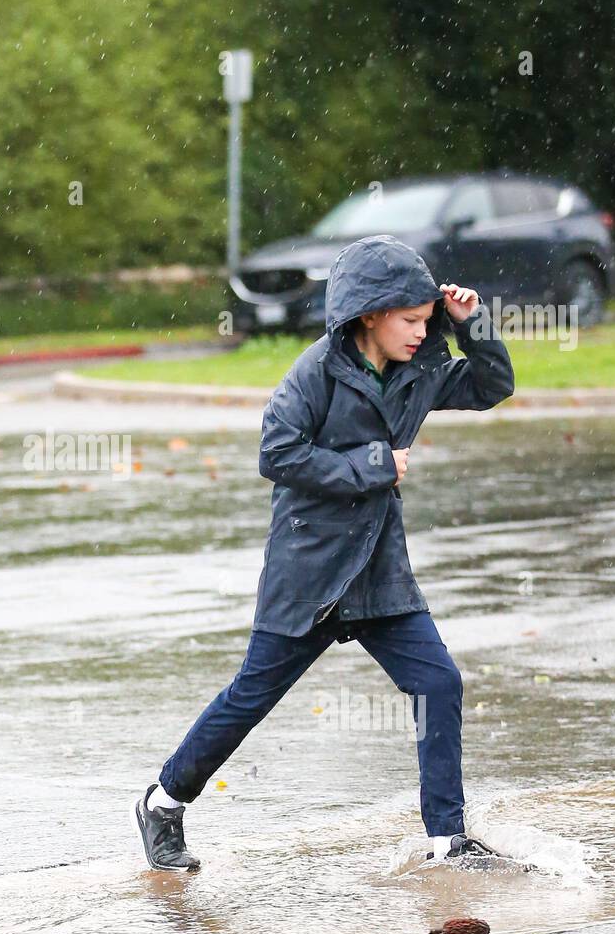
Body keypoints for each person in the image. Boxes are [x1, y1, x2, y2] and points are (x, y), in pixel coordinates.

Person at [135, 234, 516, 872]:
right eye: (412, 321)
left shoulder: (420, 368)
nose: (423, 333)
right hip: (309, 570)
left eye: (429, 321)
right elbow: (277, 455)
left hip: (378, 570)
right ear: (370, 314)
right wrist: (373, 464)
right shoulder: (314, 371)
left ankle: (447, 838)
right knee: (250, 698)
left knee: (437, 682)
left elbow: (489, 387)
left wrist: (471, 325)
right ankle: (164, 802)